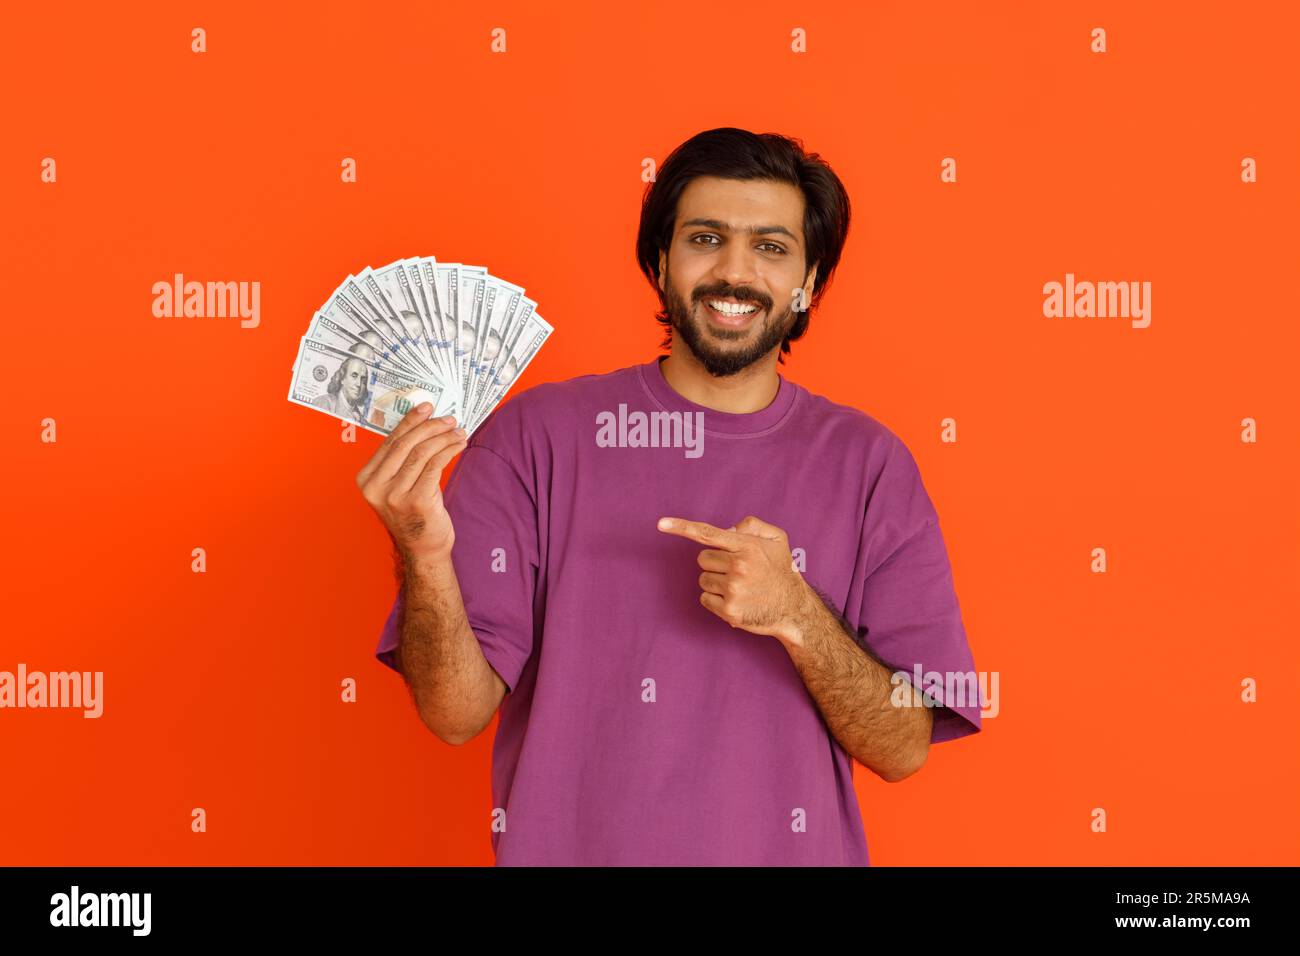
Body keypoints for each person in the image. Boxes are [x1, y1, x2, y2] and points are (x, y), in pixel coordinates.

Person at [358, 127, 982, 866]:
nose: (735, 272)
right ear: (661, 263)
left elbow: (904, 748)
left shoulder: (872, 464)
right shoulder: (534, 437)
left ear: (809, 282)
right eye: (706, 238)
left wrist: (797, 615)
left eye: (772, 247)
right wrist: (422, 554)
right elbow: (455, 715)